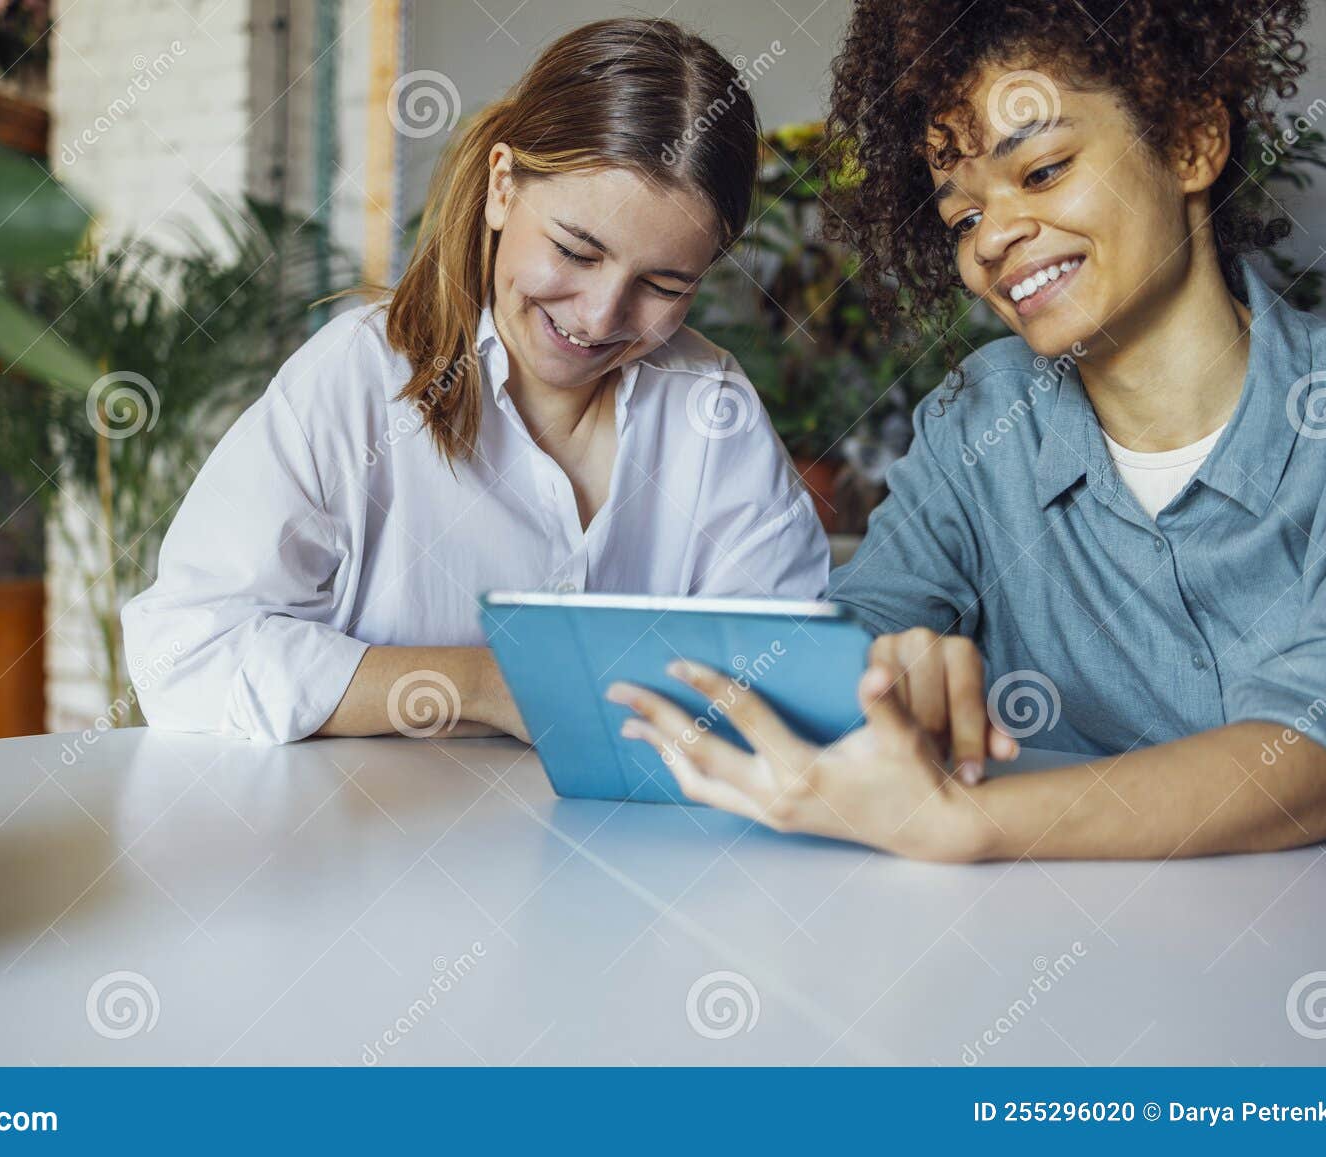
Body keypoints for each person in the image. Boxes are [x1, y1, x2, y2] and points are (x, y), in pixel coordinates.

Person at [610, 0, 1326, 859]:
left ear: (1192, 141)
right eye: (963, 219)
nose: (996, 239)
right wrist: (890, 675)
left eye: (1042, 171)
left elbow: (1325, 744)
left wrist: (962, 823)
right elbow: (858, 630)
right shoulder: (977, 419)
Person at [123, 18, 829, 745]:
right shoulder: (360, 379)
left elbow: (791, 670)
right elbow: (185, 649)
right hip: (373, 850)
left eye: (662, 284)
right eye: (576, 251)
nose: (600, 316)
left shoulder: (711, 408)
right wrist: (485, 683)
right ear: (501, 186)